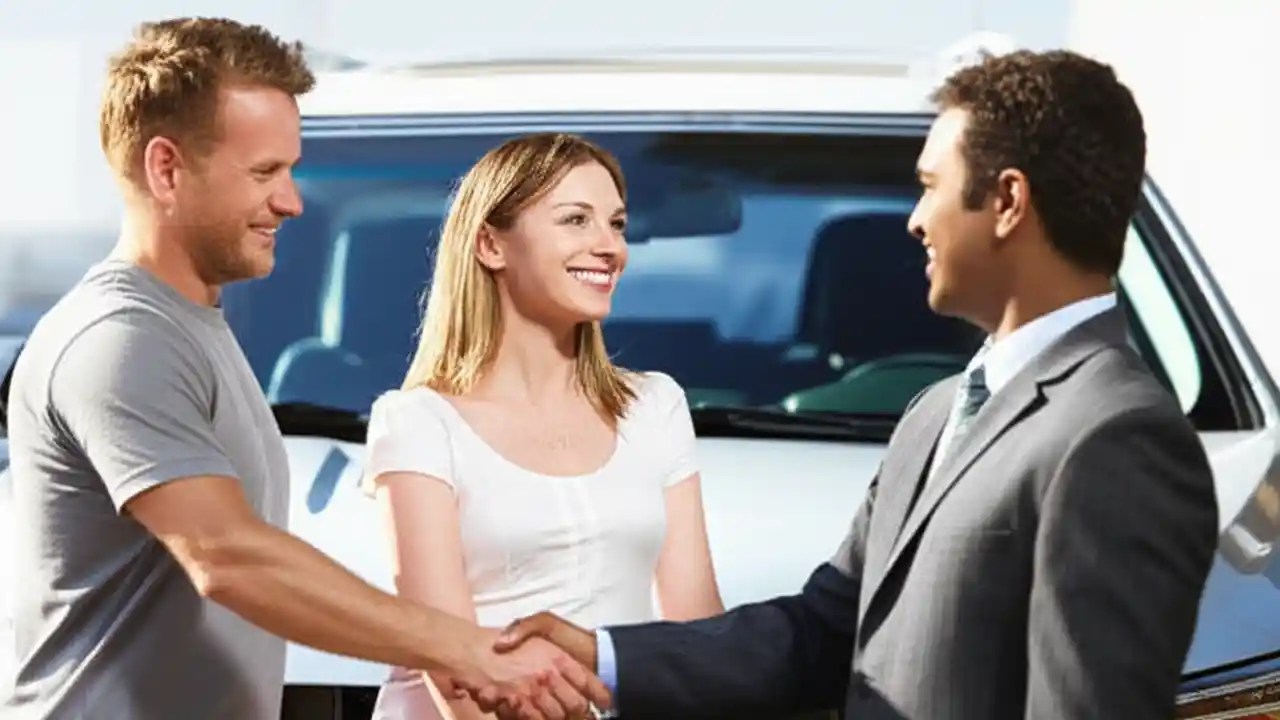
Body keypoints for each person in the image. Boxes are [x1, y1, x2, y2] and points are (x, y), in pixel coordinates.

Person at [486, 49, 1220, 719]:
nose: (916, 221)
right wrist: (603, 655)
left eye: (931, 187)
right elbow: (821, 634)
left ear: (1007, 202)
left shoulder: (1117, 436)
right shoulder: (936, 416)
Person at [0, 18, 607, 720]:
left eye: (290, 170)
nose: (291, 200)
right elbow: (227, 555)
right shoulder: (121, 339)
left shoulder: (190, 326)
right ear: (165, 168)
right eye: (265, 173)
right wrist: (468, 651)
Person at [361, 132, 725, 720]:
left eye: (617, 224)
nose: (608, 247)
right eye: (576, 220)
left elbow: (697, 632)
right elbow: (449, 663)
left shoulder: (655, 407)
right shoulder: (419, 423)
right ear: (490, 245)